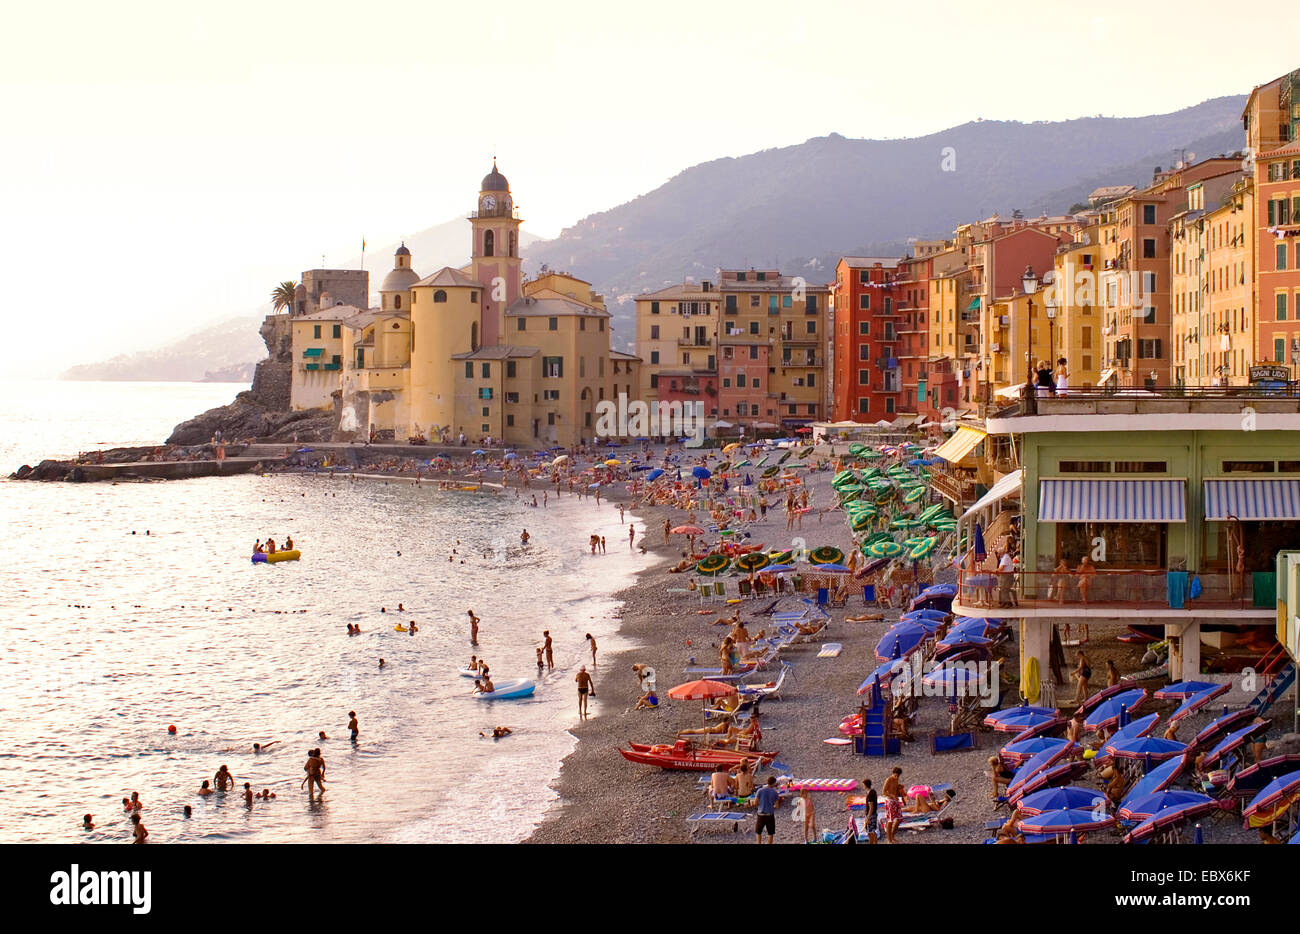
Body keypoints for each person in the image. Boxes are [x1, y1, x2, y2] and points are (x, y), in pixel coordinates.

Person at [754, 776, 780, 844]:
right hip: (769, 814)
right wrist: (772, 807)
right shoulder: (775, 792)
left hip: (761, 814)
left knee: (758, 831)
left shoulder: (760, 790)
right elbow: (776, 805)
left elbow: (755, 802)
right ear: (774, 783)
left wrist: (759, 807)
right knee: (770, 833)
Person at [882, 767, 903, 844]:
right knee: (890, 821)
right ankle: (889, 840)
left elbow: (896, 790)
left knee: (899, 819)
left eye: (898, 776)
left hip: (896, 801)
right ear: (893, 773)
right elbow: (883, 792)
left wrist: (900, 790)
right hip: (890, 801)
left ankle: (892, 836)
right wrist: (892, 795)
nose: (897, 777)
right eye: (896, 775)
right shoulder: (888, 780)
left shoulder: (896, 779)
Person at [862, 778, 879, 844]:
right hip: (874, 814)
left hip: (871, 815)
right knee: (873, 831)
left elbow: (871, 807)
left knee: (870, 832)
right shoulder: (873, 791)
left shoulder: (870, 795)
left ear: (865, 785)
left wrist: (867, 818)